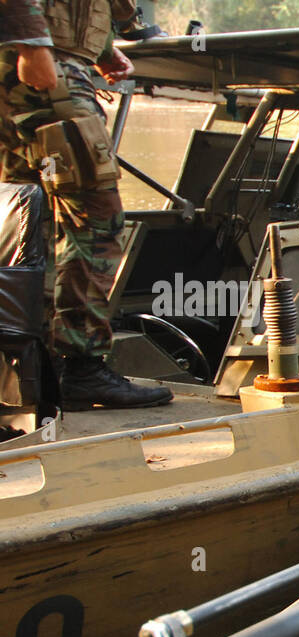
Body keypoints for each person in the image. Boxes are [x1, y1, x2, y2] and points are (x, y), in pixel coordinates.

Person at [0, 0, 172, 409]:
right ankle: (81, 366)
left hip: (30, 70)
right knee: (96, 222)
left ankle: (31, 368)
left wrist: (103, 47)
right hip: (46, 72)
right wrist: (34, 45)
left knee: (29, 219)